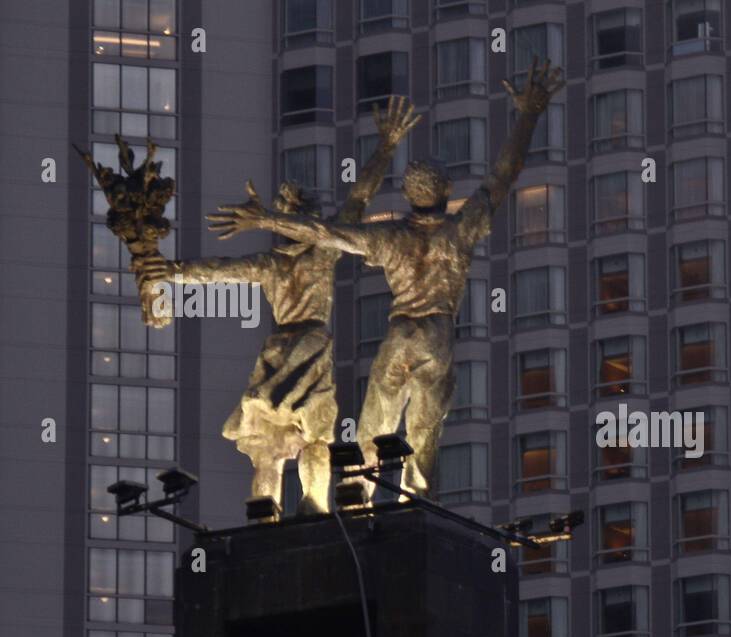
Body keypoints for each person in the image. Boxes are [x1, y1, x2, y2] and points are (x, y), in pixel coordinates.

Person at [208, 60, 564, 499]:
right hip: (437, 334)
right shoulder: (461, 229)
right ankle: (416, 494)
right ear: (447, 191)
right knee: (424, 423)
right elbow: (504, 174)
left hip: (401, 333)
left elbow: (327, 232)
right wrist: (528, 113)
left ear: (408, 194)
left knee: (378, 418)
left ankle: (358, 484)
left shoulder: (390, 239)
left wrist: (269, 219)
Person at [141, 96, 419, 513]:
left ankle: (271, 506)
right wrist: (386, 146)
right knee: (313, 439)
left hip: (282, 351)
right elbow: (358, 199)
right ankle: (307, 504)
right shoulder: (316, 255)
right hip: (306, 346)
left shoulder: (275, 263)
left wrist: (168, 268)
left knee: (275, 446)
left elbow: (217, 270)